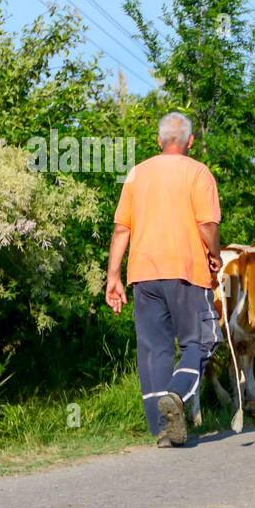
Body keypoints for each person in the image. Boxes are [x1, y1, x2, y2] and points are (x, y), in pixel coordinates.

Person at [105, 112, 222, 447]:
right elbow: (206, 226)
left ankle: (161, 430)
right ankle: (177, 393)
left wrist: (113, 278)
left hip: (143, 274)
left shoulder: (136, 174)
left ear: (158, 141)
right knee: (202, 340)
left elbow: (121, 229)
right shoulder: (198, 172)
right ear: (190, 142)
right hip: (186, 271)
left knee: (154, 350)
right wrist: (214, 254)